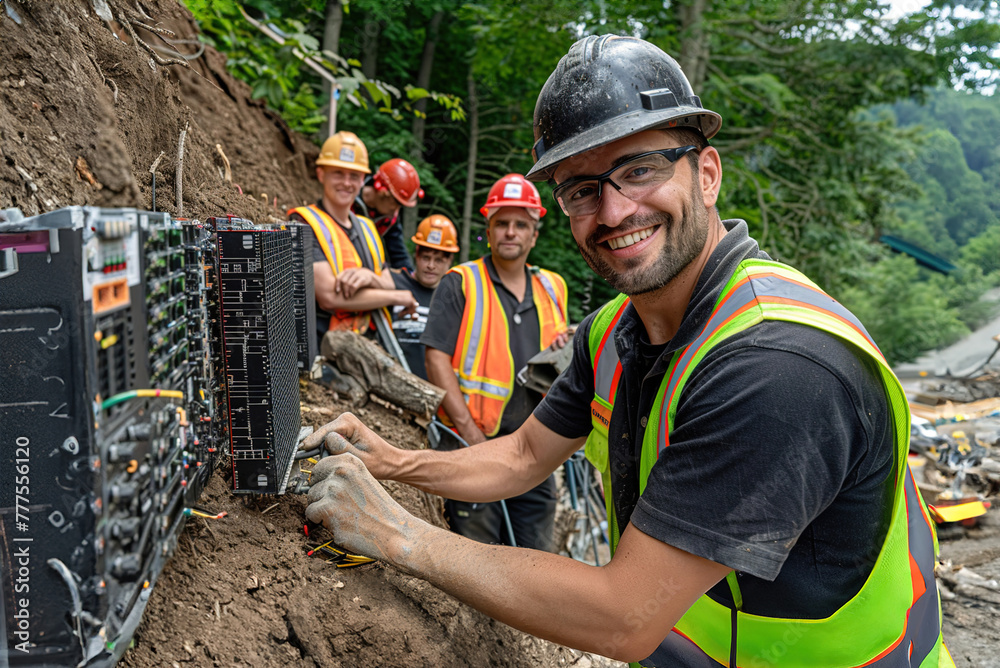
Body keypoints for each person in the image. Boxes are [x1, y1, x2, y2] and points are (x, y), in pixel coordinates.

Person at [301, 36, 950, 668]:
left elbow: (624, 616)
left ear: (707, 173)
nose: (613, 210)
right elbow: (525, 455)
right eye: (582, 188)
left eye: (639, 169)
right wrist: (396, 463)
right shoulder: (615, 331)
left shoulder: (779, 368)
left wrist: (395, 533)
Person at [419, 173, 569, 550]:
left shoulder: (553, 288)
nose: (510, 232)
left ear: (535, 234)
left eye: (521, 224)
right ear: (488, 229)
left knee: (537, 559)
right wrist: (471, 435)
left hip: (534, 449)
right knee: (480, 556)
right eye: (502, 223)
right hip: (474, 444)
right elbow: (436, 359)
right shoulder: (461, 283)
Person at [288, 131, 417, 341]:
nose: (347, 183)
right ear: (321, 174)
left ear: (363, 180)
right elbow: (329, 296)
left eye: (354, 176)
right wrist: (397, 297)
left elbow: (387, 280)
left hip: (370, 342)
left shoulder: (367, 227)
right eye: (338, 173)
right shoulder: (304, 222)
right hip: (326, 348)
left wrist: (370, 277)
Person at [390, 214, 460, 379]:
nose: (430, 266)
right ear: (416, 254)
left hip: (433, 393)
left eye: (438, 260)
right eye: (426, 258)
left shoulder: (453, 297)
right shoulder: (395, 281)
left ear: (449, 261)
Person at [353, 157, 424, 271]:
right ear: (382, 191)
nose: (397, 210)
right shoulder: (349, 197)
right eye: (396, 202)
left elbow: (399, 256)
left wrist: (410, 278)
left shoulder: (389, 218)